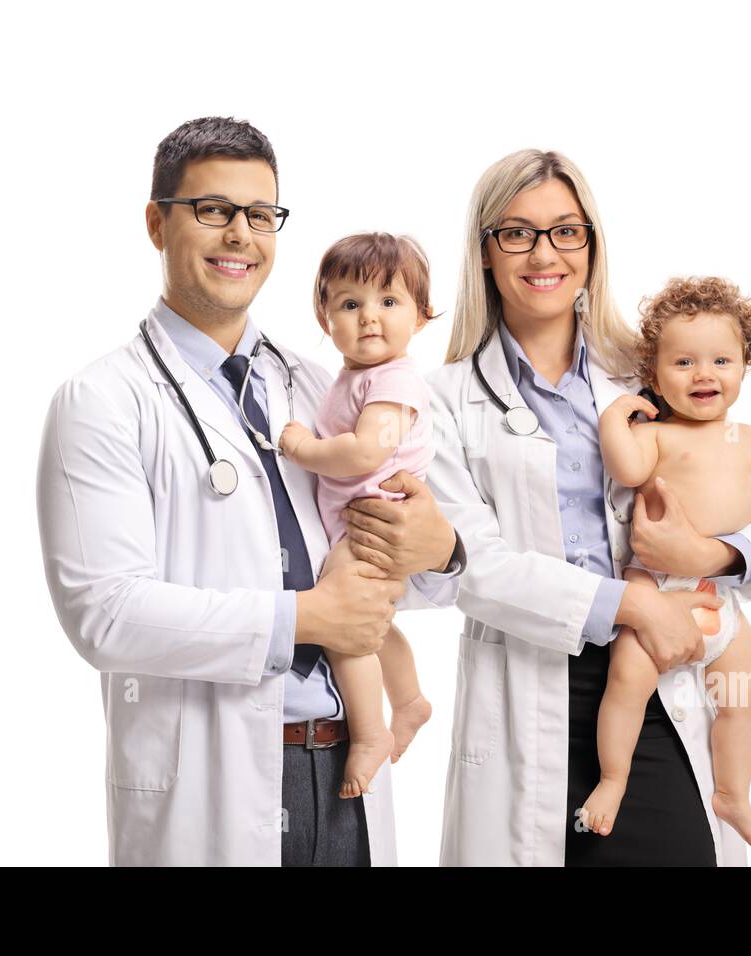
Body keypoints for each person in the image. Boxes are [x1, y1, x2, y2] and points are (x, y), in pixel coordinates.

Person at [35, 116, 465, 866]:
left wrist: (441, 551)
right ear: (155, 224)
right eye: (213, 210)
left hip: (349, 778)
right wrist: (304, 617)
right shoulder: (102, 399)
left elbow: (389, 575)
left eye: (260, 216)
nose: (241, 234)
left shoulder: (321, 382)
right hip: (217, 786)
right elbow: (102, 615)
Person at [424, 148, 751, 866]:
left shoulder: (655, 368)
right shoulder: (442, 401)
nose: (545, 253)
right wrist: (632, 607)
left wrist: (716, 557)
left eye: (568, 231)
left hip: (663, 677)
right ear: (485, 253)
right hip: (530, 690)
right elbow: (470, 567)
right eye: (518, 233)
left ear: (593, 247)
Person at [580, 275, 751, 857]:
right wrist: (617, 419)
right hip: (657, 593)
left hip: (723, 605)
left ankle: (733, 793)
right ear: (656, 370)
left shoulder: (749, 439)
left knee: (741, 699)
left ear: (746, 365)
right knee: (627, 686)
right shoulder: (660, 436)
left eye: (722, 359)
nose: (704, 374)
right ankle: (613, 780)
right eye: (684, 362)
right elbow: (623, 469)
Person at [279, 232, 439, 797]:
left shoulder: (394, 381)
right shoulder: (351, 378)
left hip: (373, 524)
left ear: (421, 316)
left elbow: (368, 451)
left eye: (389, 302)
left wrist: (301, 449)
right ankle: (411, 700)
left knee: (344, 629)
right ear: (326, 318)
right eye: (351, 304)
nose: (370, 318)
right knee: (373, 622)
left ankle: (370, 734)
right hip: (359, 524)